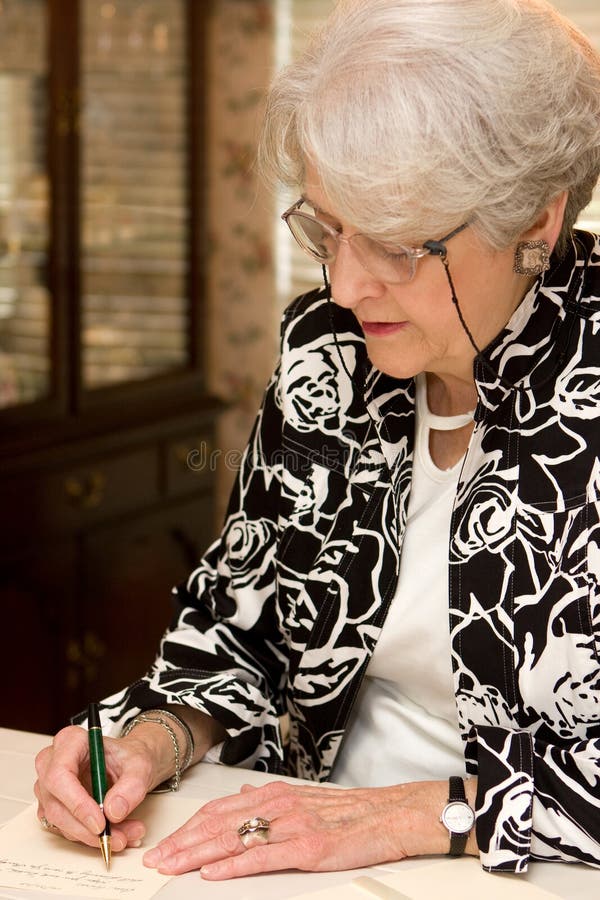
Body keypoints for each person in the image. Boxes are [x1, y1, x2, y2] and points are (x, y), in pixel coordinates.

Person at [35, 0, 600, 881]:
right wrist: (152, 736)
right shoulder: (326, 353)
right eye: (328, 231)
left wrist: (411, 812)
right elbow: (238, 626)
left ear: (535, 221)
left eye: (393, 245)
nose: (342, 285)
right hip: (304, 854)